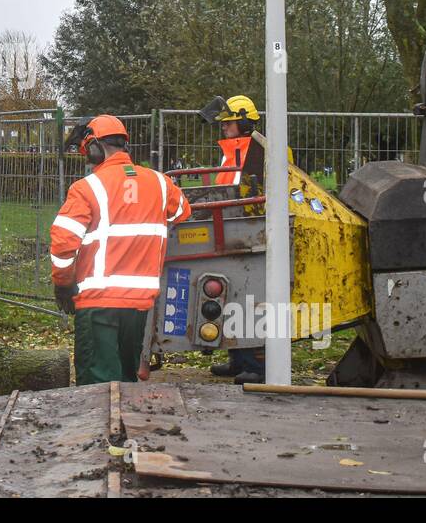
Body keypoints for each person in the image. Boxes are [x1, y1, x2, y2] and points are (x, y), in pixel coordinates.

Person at [50, 115, 191, 386]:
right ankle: (127, 426)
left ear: (95, 147)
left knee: (98, 384)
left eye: (86, 153)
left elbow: (63, 243)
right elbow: (183, 212)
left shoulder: (86, 188)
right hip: (138, 305)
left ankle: (104, 429)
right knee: (126, 381)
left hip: (97, 302)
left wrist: (63, 285)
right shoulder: (160, 184)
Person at [208, 94, 272, 384]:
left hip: (247, 226)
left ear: (244, 122)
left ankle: (257, 366)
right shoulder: (232, 150)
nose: (224, 127)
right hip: (230, 222)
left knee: (249, 295)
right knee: (231, 292)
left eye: (229, 122)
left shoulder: (256, 149)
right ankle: (237, 357)